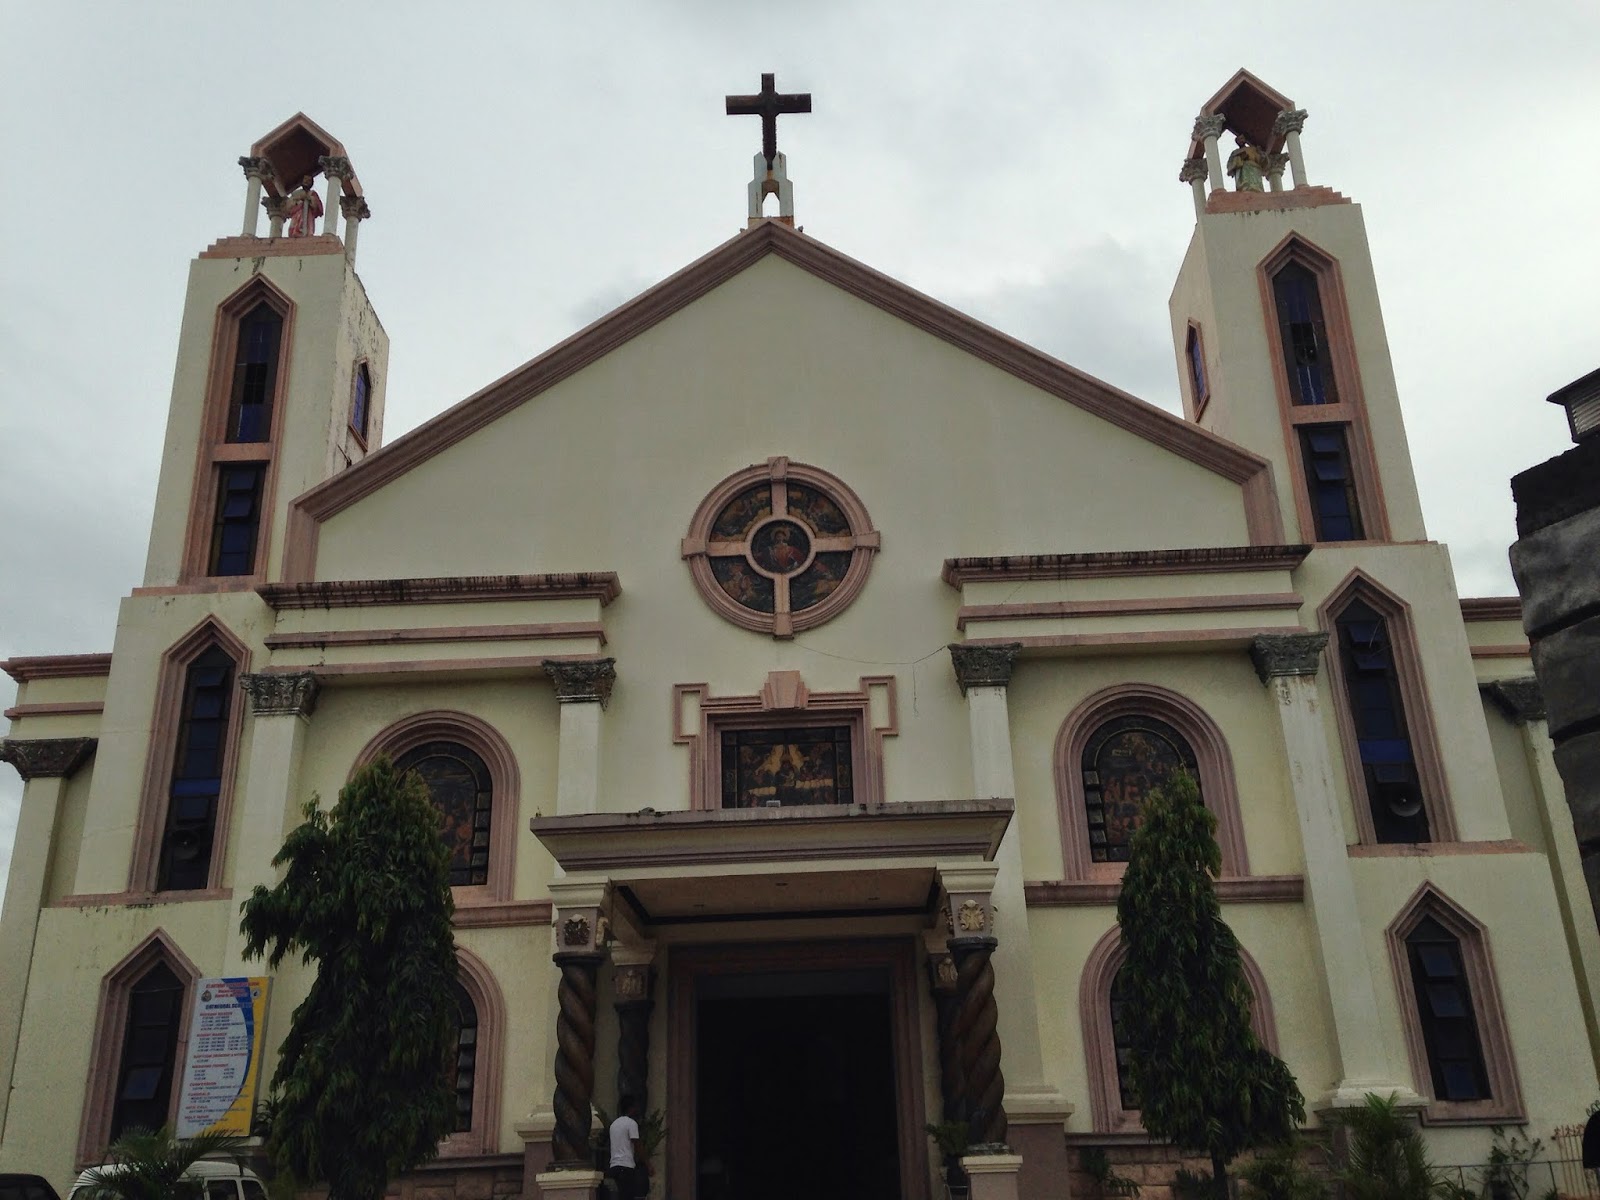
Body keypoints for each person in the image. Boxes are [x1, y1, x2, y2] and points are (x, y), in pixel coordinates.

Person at [607, 1094, 650, 1199]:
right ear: (631, 1107)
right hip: (626, 1167)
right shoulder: (631, 1124)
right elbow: (637, 1145)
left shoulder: (614, 1125)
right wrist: (648, 1164)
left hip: (614, 1166)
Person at [284, 173, 323, 237]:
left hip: (308, 215)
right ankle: (295, 232)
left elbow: (317, 206)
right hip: (297, 214)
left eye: (308, 180)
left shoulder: (312, 194)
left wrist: (309, 198)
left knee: (307, 228)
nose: (306, 182)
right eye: (305, 179)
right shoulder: (296, 193)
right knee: (295, 225)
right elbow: (288, 207)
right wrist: (298, 200)